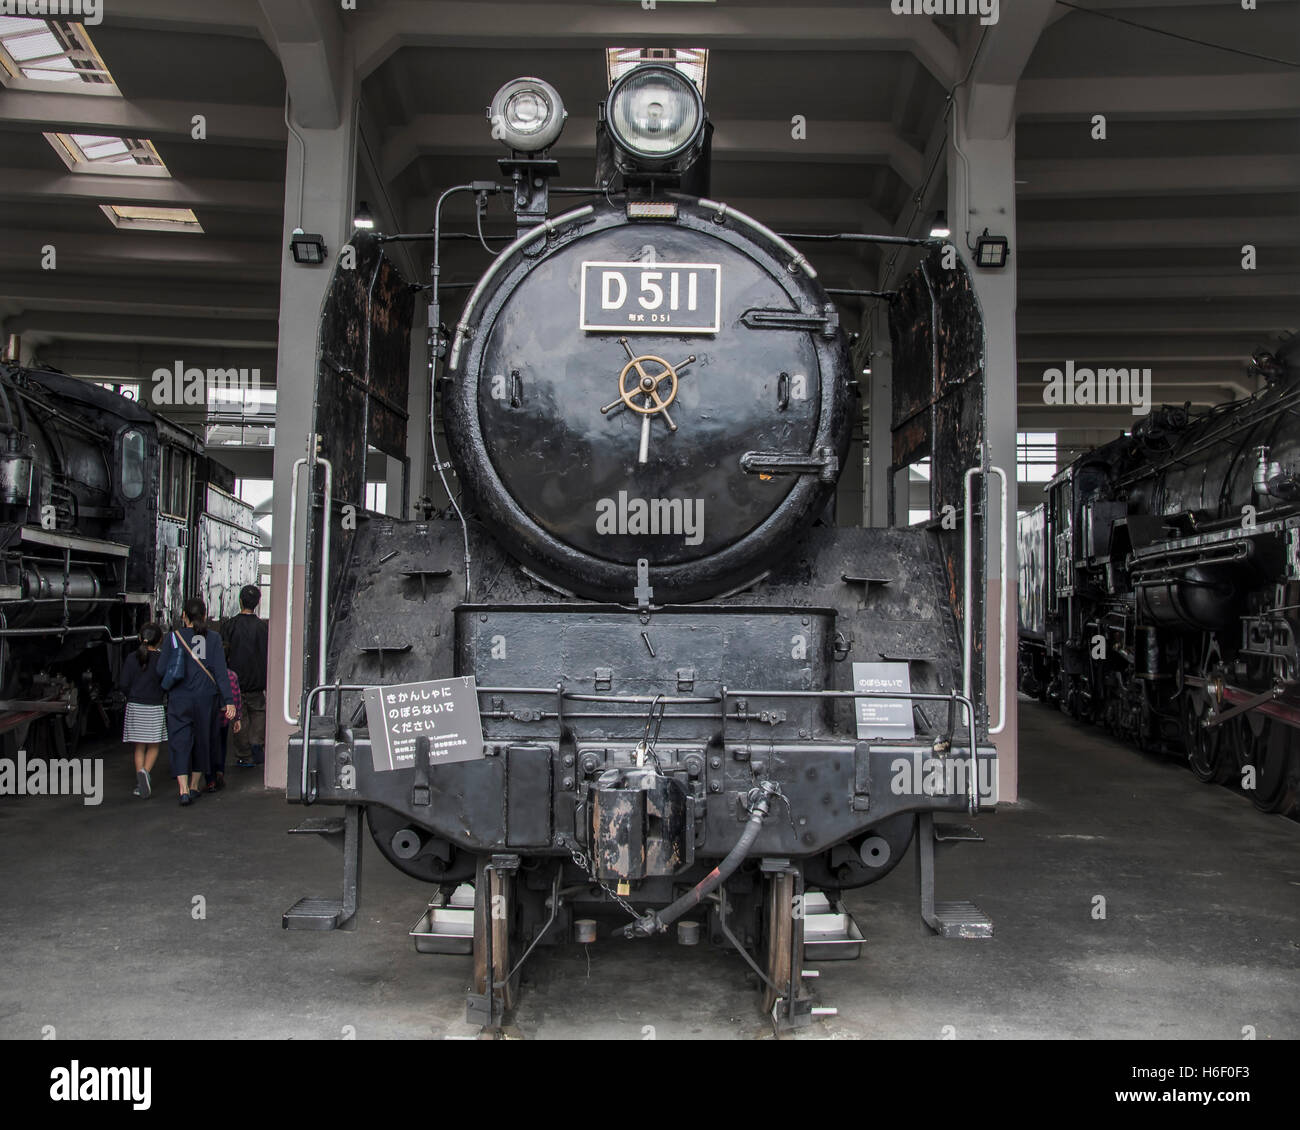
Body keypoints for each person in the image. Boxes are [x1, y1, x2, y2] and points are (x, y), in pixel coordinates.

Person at [160, 597, 235, 806]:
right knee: (203, 739)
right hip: (206, 699)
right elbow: (221, 672)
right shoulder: (213, 638)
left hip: (180, 698)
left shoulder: (173, 638)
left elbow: (161, 669)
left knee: (180, 741)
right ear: (204, 615)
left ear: (184, 616)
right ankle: (194, 786)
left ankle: (183, 789)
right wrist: (228, 701)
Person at [221, 584, 268, 768]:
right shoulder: (263, 628)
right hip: (257, 682)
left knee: (239, 717)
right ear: (257, 603)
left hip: (236, 683)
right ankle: (257, 743)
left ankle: (244, 754)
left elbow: (223, 654)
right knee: (258, 713)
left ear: (240, 600)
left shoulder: (229, 626)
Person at [119, 622, 166, 799]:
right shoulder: (161, 659)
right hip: (154, 705)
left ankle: (141, 782)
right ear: (160, 640)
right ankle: (145, 773)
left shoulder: (132, 658)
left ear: (140, 638)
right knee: (153, 745)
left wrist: (131, 695)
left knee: (139, 746)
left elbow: (123, 684)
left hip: (135, 705)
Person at [208, 641, 242, 793]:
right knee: (222, 746)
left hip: (209, 717)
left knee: (208, 746)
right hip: (224, 718)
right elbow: (236, 697)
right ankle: (220, 772)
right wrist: (237, 717)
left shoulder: (208, 673)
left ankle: (210, 779)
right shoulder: (232, 675)